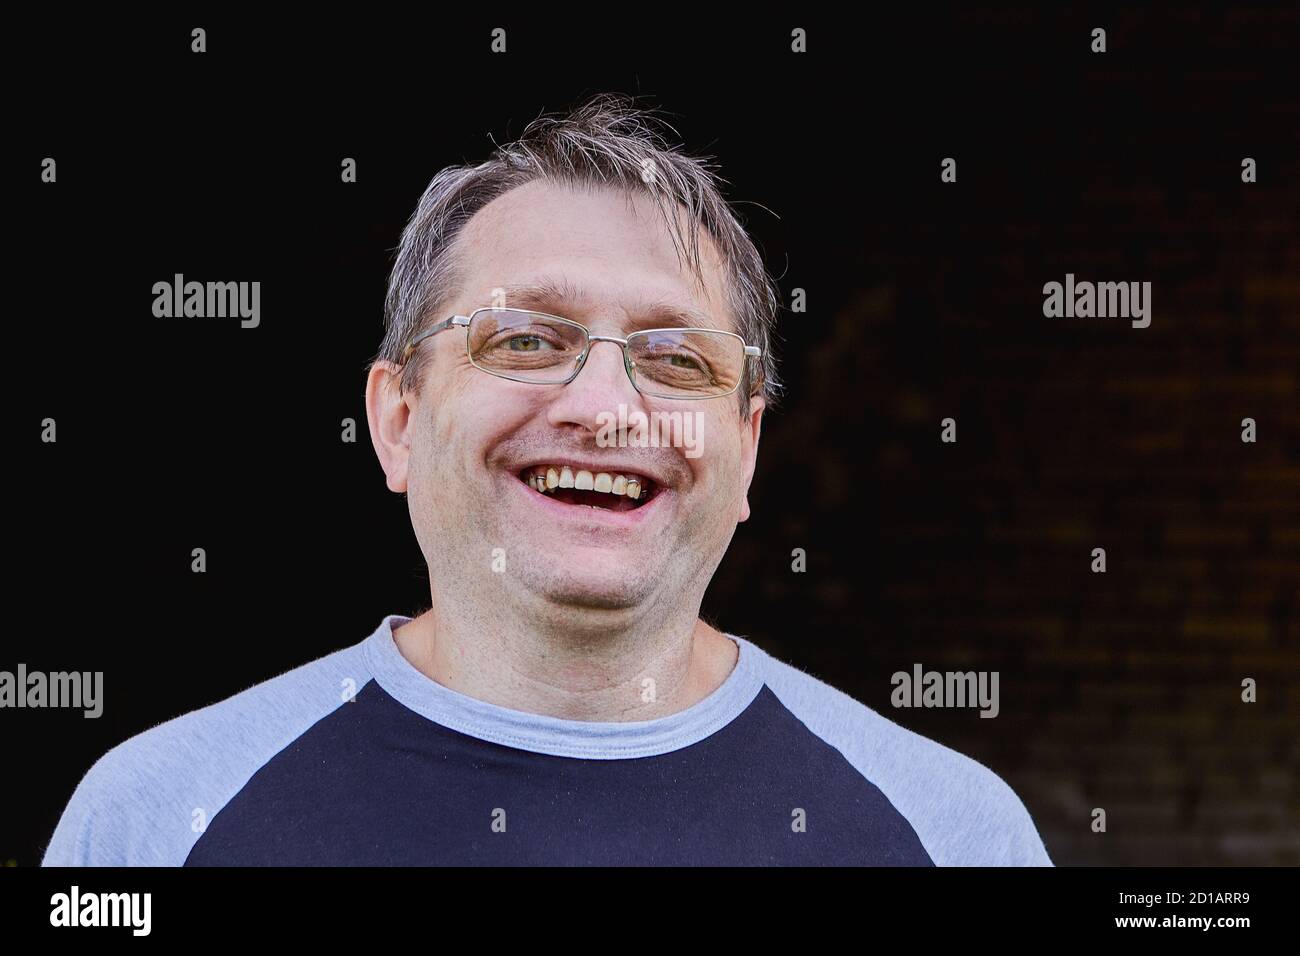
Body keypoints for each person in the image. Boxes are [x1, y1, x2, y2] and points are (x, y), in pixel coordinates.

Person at [42, 92, 1052, 866]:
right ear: (398, 420)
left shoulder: (951, 836)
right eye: (526, 339)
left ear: (745, 447)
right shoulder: (157, 822)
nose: (605, 407)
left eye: (675, 359)